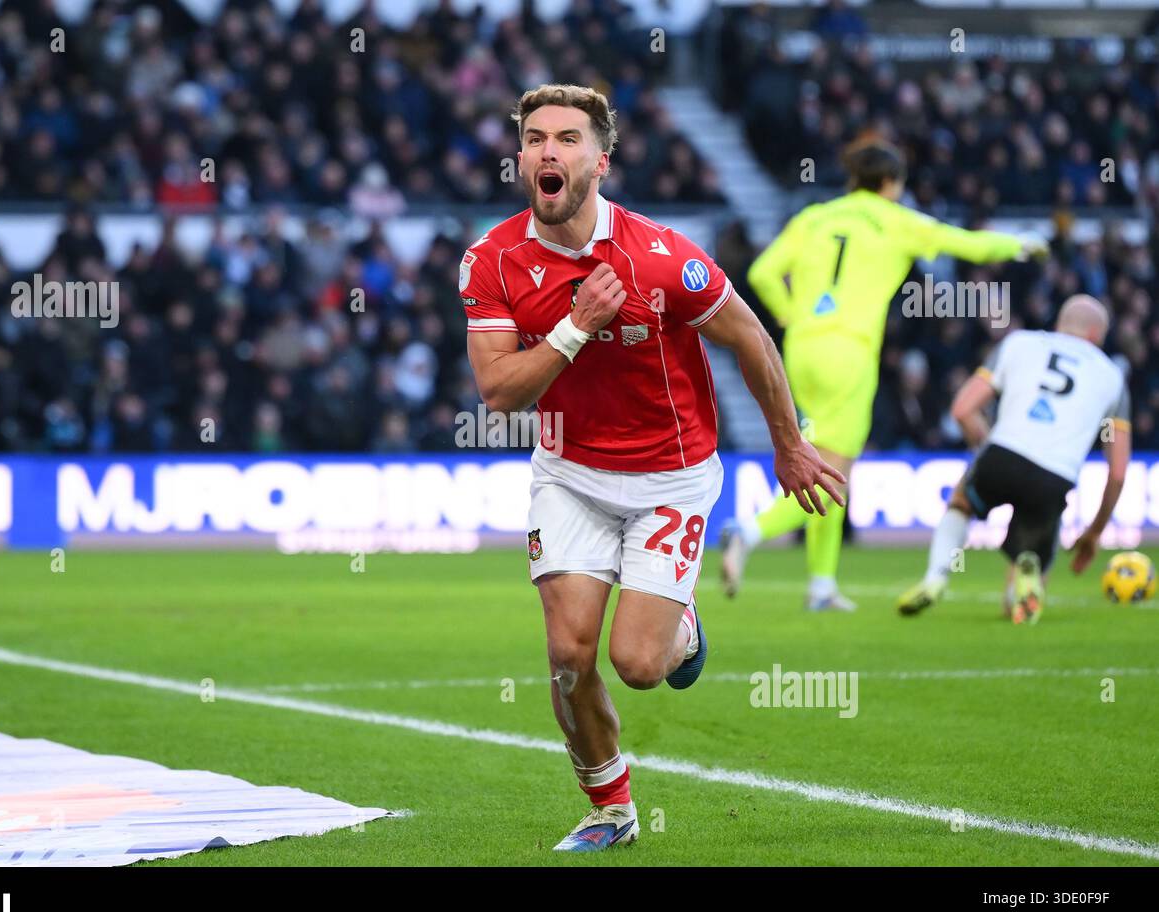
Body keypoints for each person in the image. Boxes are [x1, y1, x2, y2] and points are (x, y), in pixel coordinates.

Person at [462, 84, 843, 851]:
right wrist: (576, 327)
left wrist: (788, 443)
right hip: (569, 472)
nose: (547, 151)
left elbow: (751, 338)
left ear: (600, 161)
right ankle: (611, 809)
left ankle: (681, 623)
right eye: (535, 137)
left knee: (637, 664)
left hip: (671, 475)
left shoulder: (662, 256)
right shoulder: (493, 260)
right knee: (568, 653)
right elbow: (499, 392)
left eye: (567, 139)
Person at [721, 138, 1046, 610]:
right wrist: (1020, 244)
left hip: (801, 350)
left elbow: (764, 273)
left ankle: (822, 585)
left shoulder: (814, 217)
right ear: (891, 183)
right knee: (832, 476)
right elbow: (967, 243)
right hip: (849, 353)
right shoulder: (896, 220)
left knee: (823, 462)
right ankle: (749, 532)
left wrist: (792, 316)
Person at [897, 295, 1131, 623]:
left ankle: (936, 576)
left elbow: (963, 409)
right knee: (1031, 547)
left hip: (1003, 454)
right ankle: (1024, 575)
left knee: (962, 502)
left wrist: (987, 447)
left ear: (1060, 324)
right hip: (1055, 476)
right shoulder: (1112, 377)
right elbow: (1118, 472)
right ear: (1096, 334)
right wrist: (1094, 533)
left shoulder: (1019, 344)